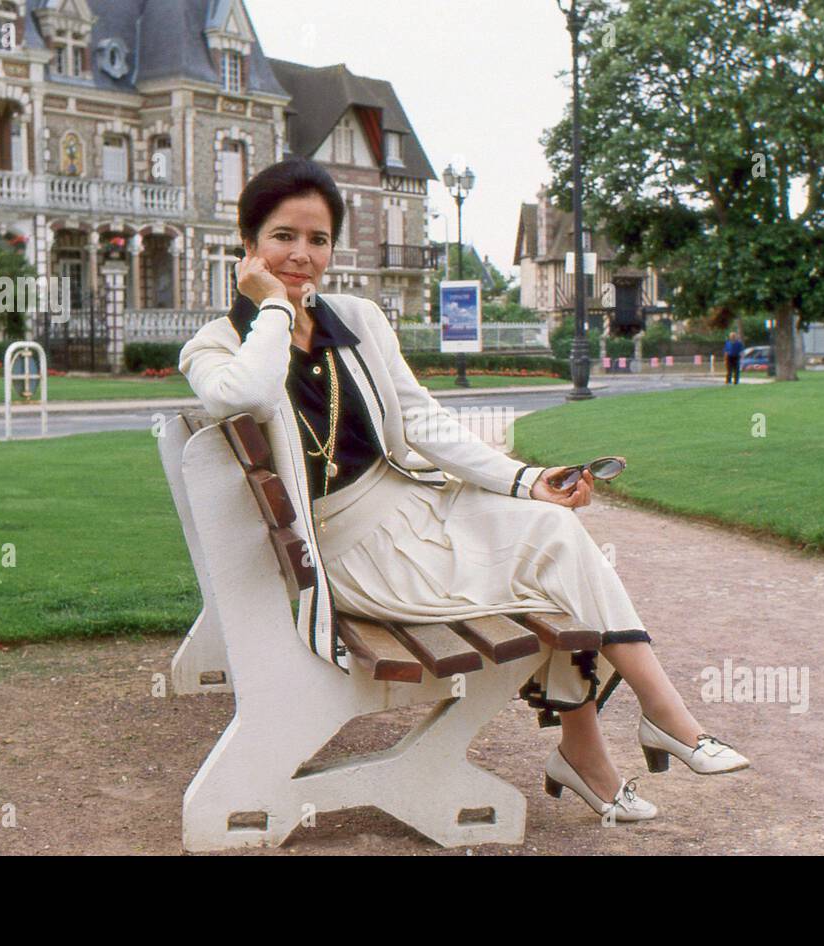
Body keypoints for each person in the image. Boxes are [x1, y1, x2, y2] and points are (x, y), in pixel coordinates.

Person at [179, 158, 749, 825]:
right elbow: (243, 393)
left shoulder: (356, 317)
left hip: (413, 509)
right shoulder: (216, 344)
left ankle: (655, 717)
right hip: (353, 554)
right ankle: (604, 744)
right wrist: (274, 306)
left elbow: (423, 422)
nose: (302, 255)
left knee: (555, 533)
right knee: (546, 582)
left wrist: (527, 480)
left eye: (319, 239)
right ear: (248, 245)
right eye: (283, 236)